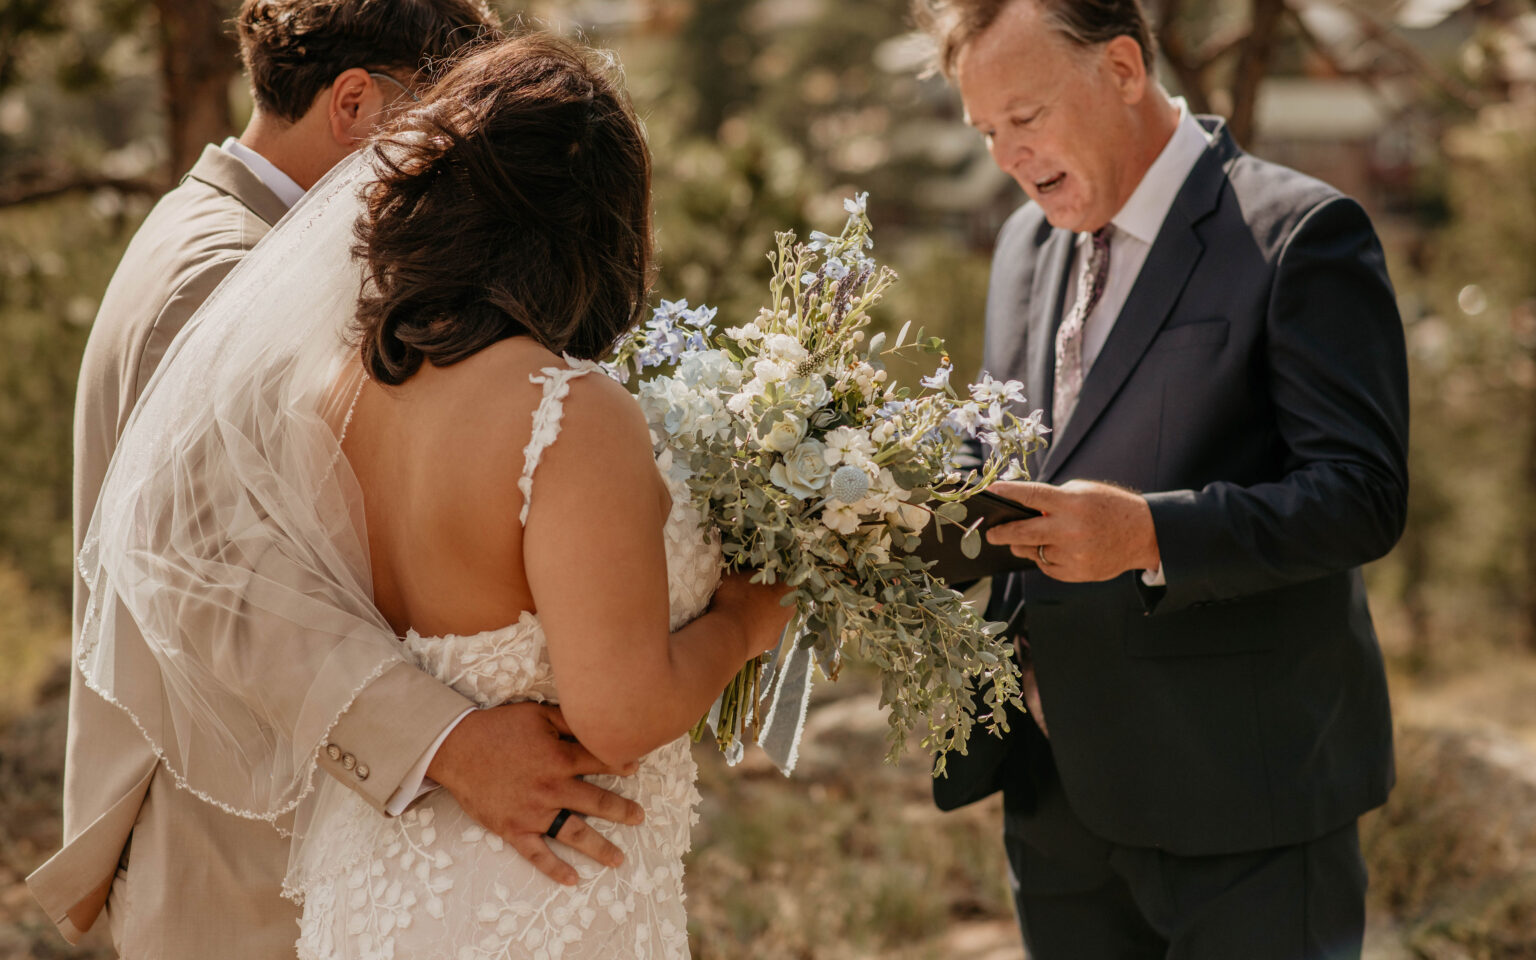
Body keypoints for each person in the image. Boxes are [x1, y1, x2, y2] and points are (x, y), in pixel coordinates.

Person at [69, 33, 794, 960]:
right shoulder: (569, 411)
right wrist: (744, 617)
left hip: (374, 878)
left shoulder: (336, 391)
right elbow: (616, 717)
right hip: (541, 884)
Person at [915, 0, 1408, 956]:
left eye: (1026, 117)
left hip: (1246, 802)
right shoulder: (1020, 244)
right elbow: (1008, 459)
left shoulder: (1302, 233)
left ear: (1124, 69)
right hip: (1056, 802)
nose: (1008, 156)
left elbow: (1362, 497)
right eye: (986, 131)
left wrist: (1149, 535)